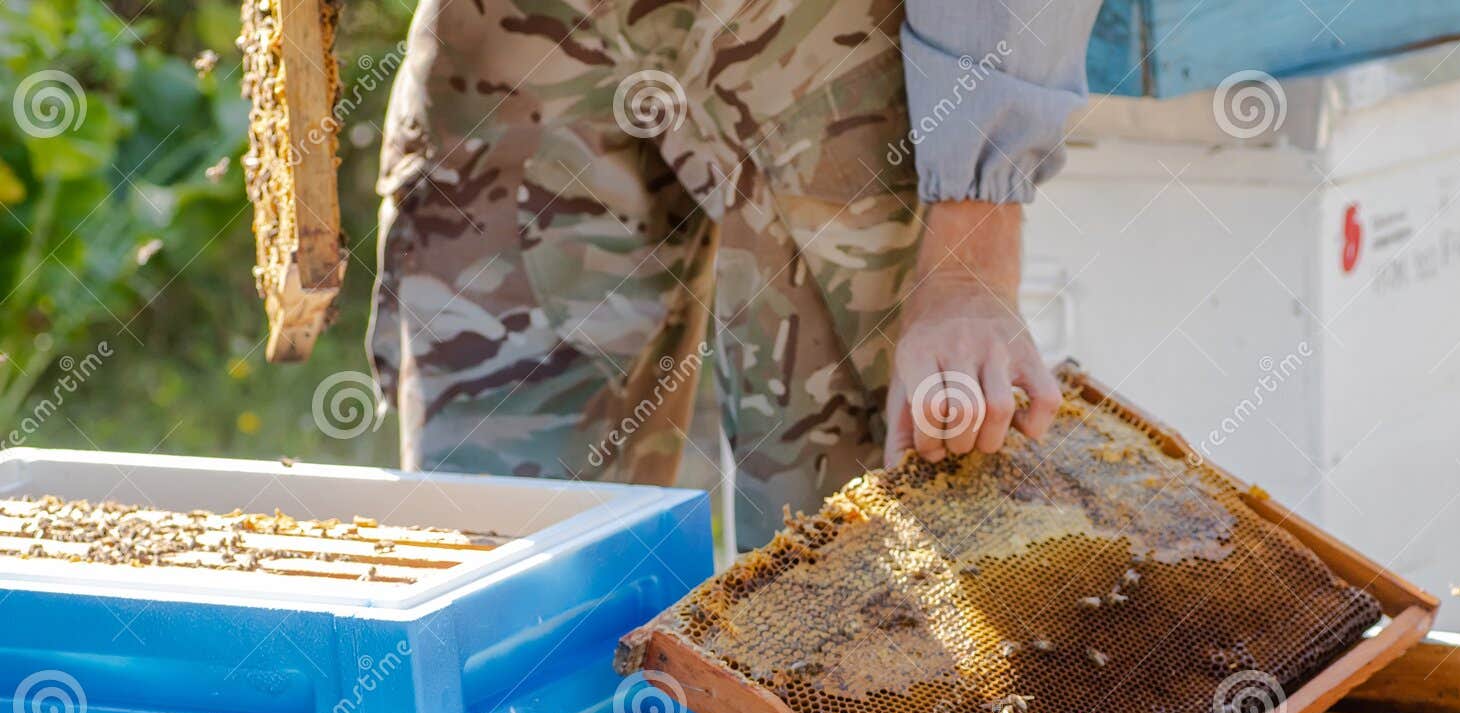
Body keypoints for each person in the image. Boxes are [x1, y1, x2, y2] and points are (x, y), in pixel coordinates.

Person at [370, 0, 1103, 548]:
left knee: (872, 603)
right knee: (495, 568)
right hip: (509, 43)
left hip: (818, 50)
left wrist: (969, 259)